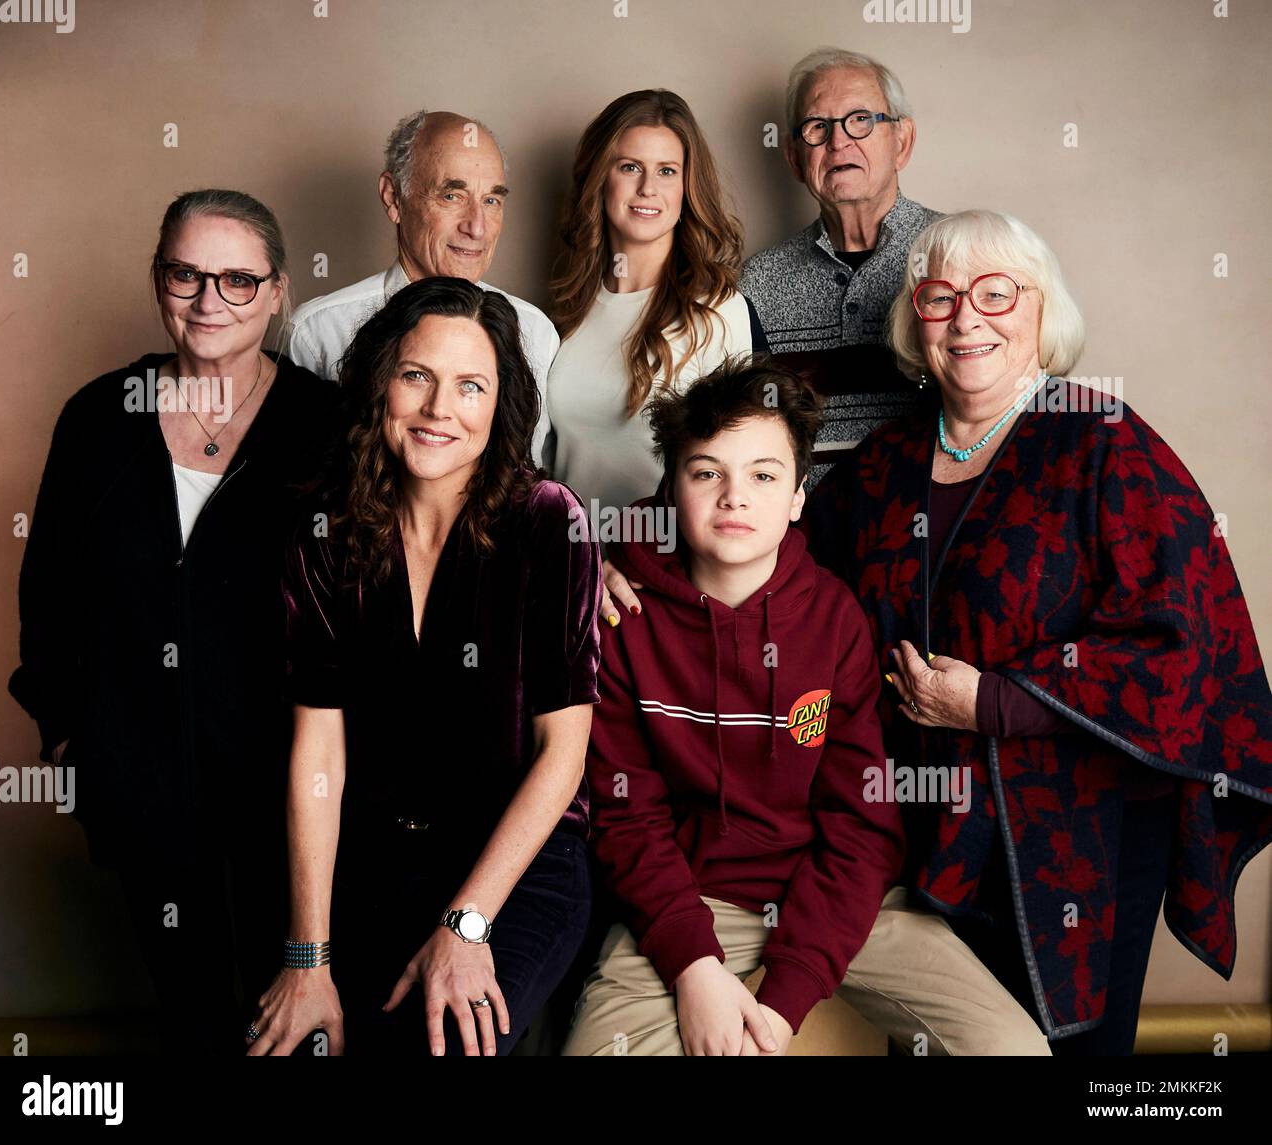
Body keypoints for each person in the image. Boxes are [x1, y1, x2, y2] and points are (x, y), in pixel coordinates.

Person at [802, 209, 1272, 1054]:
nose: (968, 318)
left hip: (1081, 832)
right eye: (941, 298)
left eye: (996, 293)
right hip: (923, 824)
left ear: (1041, 310)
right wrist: (627, 557)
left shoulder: (1106, 443)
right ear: (917, 320)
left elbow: (1182, 643)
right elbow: (771, 552)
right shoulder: (881, 462)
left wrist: (996, 701)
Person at [563, 356, 1049, 1056]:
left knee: (1015, 1050)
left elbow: (861, 826)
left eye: (763, 475)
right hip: (688, 899)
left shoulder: (835, 619)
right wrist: (694, 967)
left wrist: (785, 999)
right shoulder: (620, 614)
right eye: (707, 473)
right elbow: (626, 816)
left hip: (835, 897)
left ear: (797, 496)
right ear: (671, 488)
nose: (735, 497)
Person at [8, 189, 338, 1054]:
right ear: (159, 280)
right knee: (193, 1018)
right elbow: (47, 593)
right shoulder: (96, 418)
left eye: (236, 279)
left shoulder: (326, 426)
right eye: (186, 274)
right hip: (143, 786)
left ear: (277, 292)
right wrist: (68, 736)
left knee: (298, 1025)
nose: (208, 301)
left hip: (287, 786)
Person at [248, 277, 601, 1057]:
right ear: (381, 383)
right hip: (376, 859)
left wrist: (465, 923)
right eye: (418, 377)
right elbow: (320, 754)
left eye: (470, 385)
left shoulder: (548, 522)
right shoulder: (324, 532)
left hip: (519, 863)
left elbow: (563, 754)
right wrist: (308, 957)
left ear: (500, 404)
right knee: (302, 1040)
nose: (441, 409)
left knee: (443, 1046)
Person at [547, 88, 763, 600]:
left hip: (666, 578)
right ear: (600, 179)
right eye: (629, 167)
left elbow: (742, 466)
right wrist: (574, 561)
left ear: (688, 187)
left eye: (667, 171)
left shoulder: (721, 312)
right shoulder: (561, 314)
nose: (648, 188)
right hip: (571, 570)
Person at [283, 110, 559, 464]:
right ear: (394, 197)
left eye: (491, 200)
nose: (477, 227)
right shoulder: (317, 333)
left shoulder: (535, 333)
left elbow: (532, 474)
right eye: (452, 196)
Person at [740, 48, 941, 489]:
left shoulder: (957, 256)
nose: (838, 142)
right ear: (794, 158)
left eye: (861, 120)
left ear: (902, 142)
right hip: (805, 541)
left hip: (931, 534)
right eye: (817, 127)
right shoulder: (753, 284)